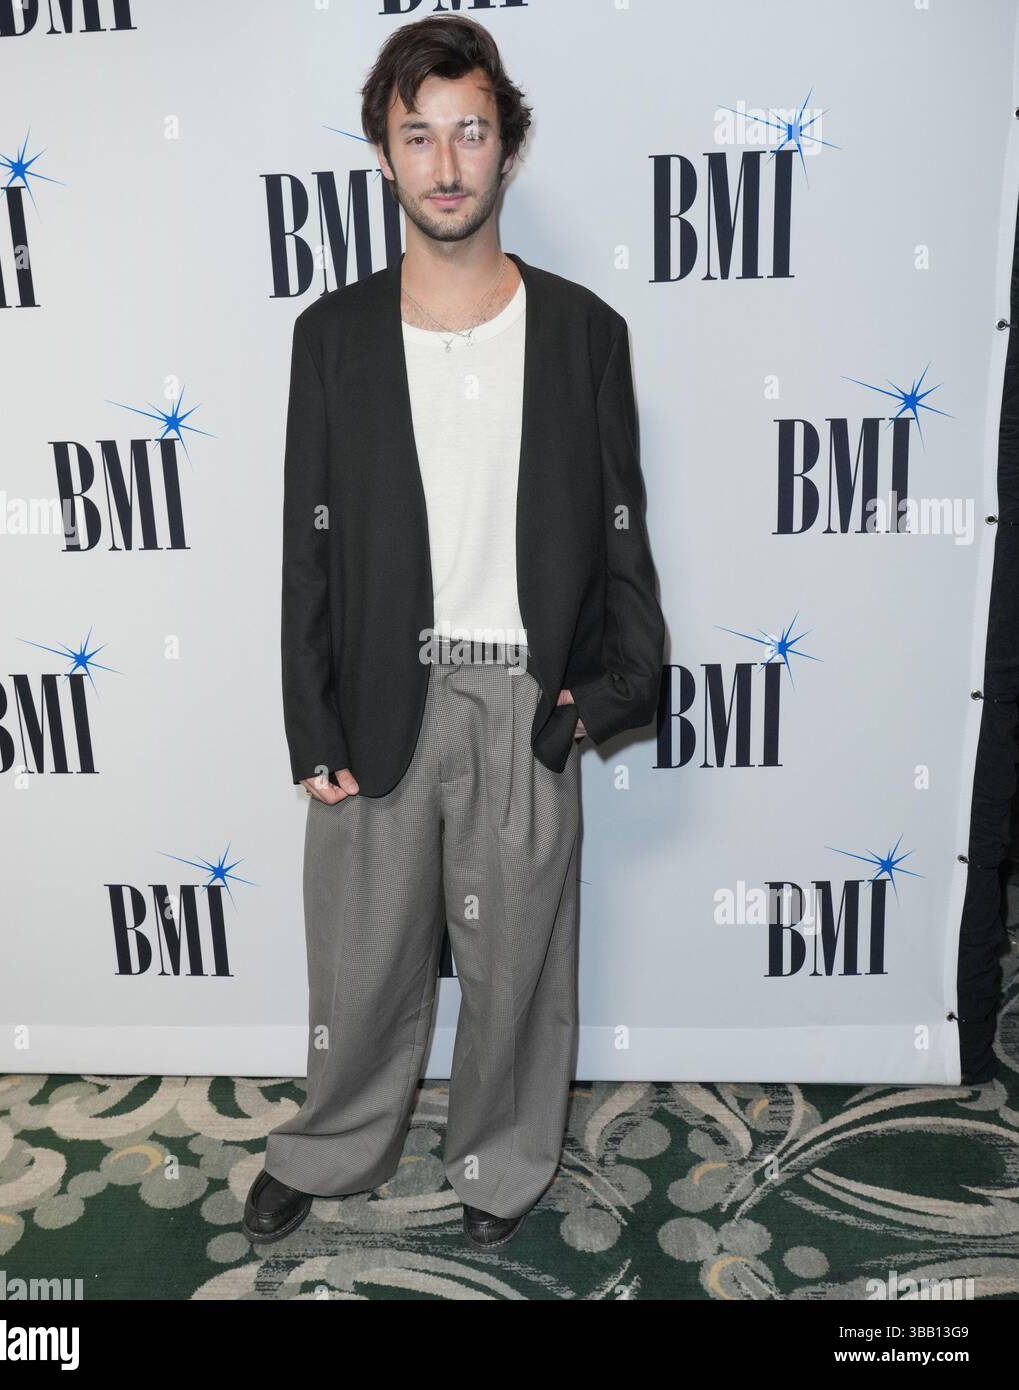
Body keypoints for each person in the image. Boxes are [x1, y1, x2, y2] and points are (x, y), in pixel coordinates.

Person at [243, 13, 665, 1252]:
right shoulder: (330, 337)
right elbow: (303, 551)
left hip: (527, 691)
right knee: (359, 966)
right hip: (383, 692)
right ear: (383, 155)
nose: (443, 163)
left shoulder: (585, 332)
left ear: (505, 150)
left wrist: (609, 689)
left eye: (468, 132)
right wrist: (308, 719)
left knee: (518, 970)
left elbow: (624, 530)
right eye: (416, 135)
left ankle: (500, 1160)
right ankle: (327, 1145)